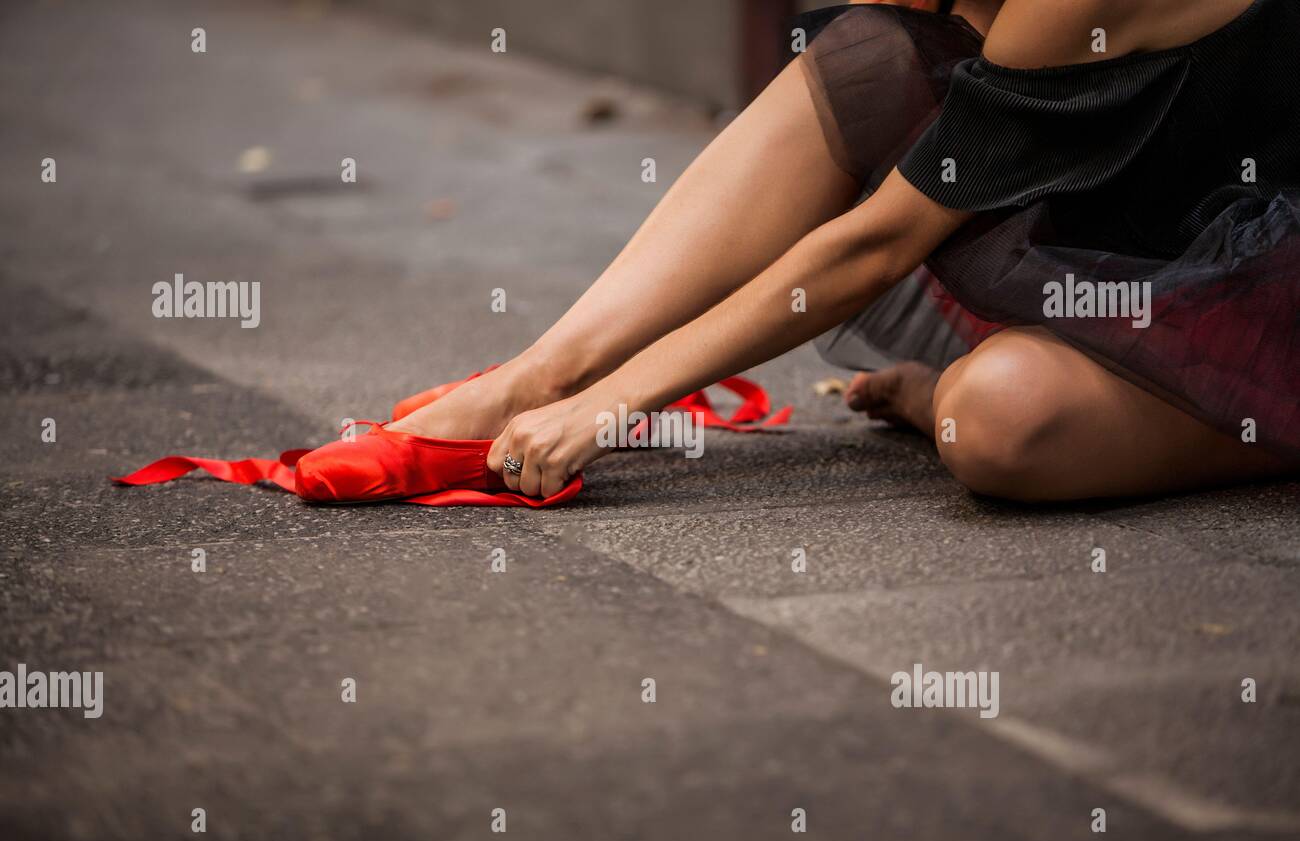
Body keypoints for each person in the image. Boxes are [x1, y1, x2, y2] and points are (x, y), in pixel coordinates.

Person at [327, 0, 1300, 503]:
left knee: (997, 422)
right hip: (1122, 213)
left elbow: (874, 245)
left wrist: (612, 407)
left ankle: (1243, 417)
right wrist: (561, 383)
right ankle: (531, 372)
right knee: (873, 51)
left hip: (1262, 286)